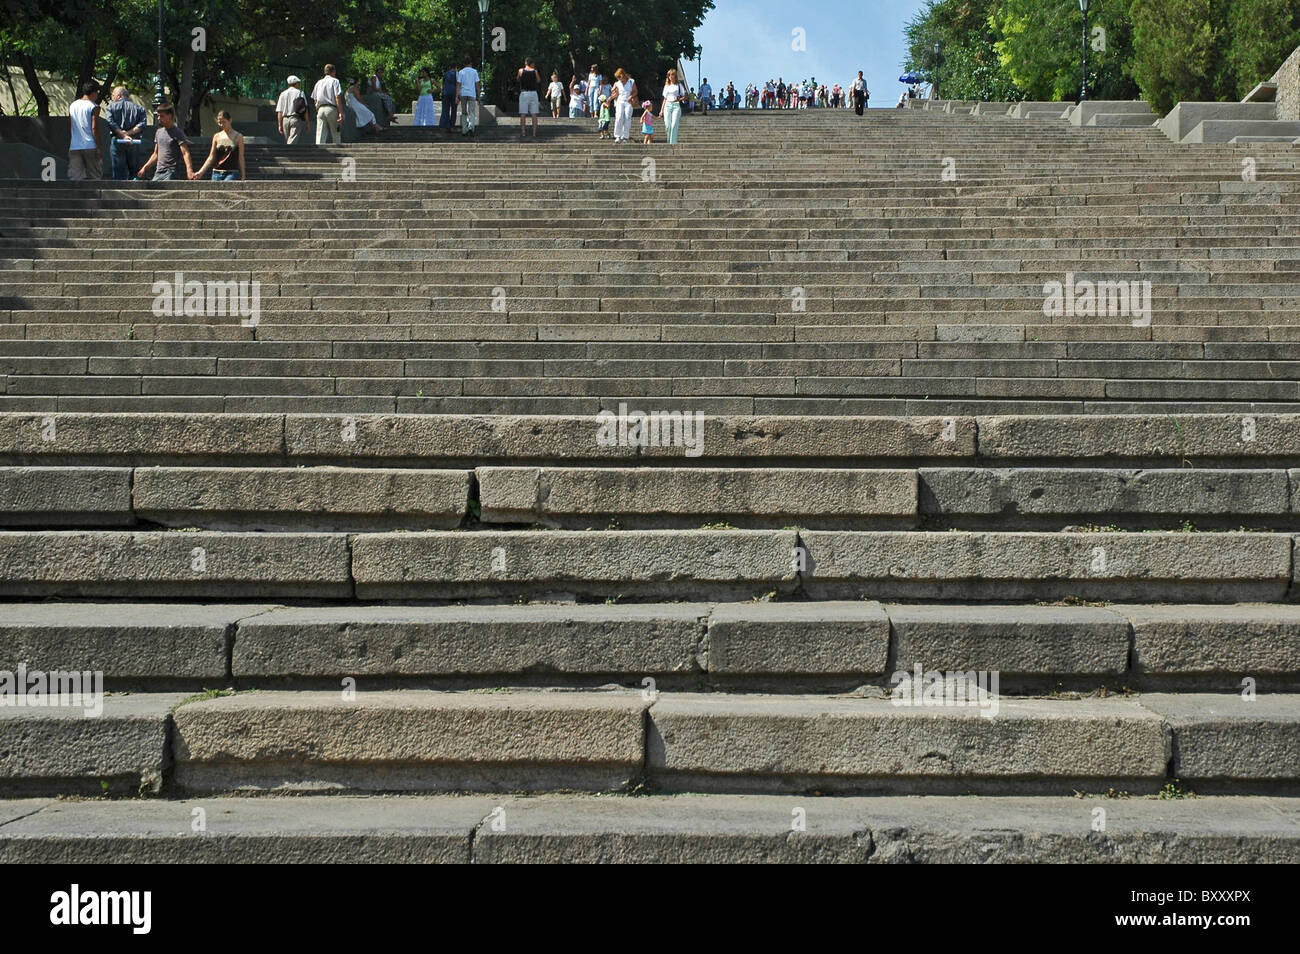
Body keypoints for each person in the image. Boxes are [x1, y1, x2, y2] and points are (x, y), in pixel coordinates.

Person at [135, 102, 194, 181]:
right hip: (158, 172)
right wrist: (144, 168)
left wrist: (189, 170)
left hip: (171, 172)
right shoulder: (158, 132)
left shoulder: (177, 132)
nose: (159, 118)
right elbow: (156, 154)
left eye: (162, 116)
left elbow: (185, 153)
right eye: (158, 116)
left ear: (169, 116)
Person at [104, 86, 147, 180]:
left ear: (119, 95)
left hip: (117, 141)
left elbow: (110, 122)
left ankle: (119, 191)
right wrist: (129, 134)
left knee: (118, 171)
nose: (112, 97)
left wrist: (123, 135)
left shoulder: (111, 107)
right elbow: (142, 124)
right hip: (134, 141)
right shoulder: (139, 108)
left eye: (113, 95)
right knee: (134, 170)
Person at [191, 109, 246, 180]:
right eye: (219, 122)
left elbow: (241, 157)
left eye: (224, 122)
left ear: (230, 120)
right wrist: (201, 172)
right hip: (217, 173)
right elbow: (211, 157)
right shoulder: (216, 136)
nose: (222, 125)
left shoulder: (238, 137)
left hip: (232, 172)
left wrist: (243, 175)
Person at [67, 80, 102, 181]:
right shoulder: (94, 107)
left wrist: (72, 140)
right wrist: (99, 147)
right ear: (94, 93)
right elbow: (94, 128)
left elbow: (70, 126)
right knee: (96, 176)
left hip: (74, 146)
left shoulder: (73, 105)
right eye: (97, 93)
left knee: (76, 178)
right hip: (90, 145)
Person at [312, 64, 344, 144]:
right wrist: (340, 112)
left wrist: (318, 109)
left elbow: (315, 99)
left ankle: (319, 153)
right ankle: (338, 152)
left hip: (320, 110)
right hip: (331, 109)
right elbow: (337, 97)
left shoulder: (318, 82)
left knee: (320, 135)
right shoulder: (335, 81)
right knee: (335, 133)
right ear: (333, 72)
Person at [276, 75, 311, 145]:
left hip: (285, 120)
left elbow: (279, 111)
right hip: (296, 119)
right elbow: (305, 109)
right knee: (292, 141)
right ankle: (287, 153)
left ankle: (288, 154)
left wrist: (280, 124)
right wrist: (307, 123)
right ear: (296, 83)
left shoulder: (283, 94)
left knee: (289, 140)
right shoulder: (300, 93)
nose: (299, 84)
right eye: (298, 83)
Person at [611, 68, 637, 143]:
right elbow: (616, 93)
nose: (619, 79)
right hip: (620, 101)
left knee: (627, 118)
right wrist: (611, 95)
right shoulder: (617, 83)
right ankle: (617, 136)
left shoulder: (631, 81)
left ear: (623, 75)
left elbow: (635, 91)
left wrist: (631, 96)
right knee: (619, 117)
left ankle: (625, 136)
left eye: (620, 77)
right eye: (618, 77)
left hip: (628, 102)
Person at [518, 57, 541, 139]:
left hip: (524, 93)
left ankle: (523, 132)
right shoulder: (535, 71)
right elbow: (538, 80)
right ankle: (534, 133)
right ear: (532, 64)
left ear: (525, 63)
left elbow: (518, 79)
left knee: (523, 114)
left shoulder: (520, 71)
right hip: (533, 93)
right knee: (534, 114)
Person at [660, 68, 685, 145]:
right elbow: (664, 99)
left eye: (672, 74)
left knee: (674, 124)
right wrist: (661, 110)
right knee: (668, 125)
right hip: (667, 105)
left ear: (675, 76)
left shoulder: (679, 85)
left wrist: (678, 100)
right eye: (669, 75)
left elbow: (685, 96)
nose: (671, 76)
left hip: (676, 105)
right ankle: (668, 141)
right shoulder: (667, 86)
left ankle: (673, 143)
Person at [457, 57, 481, 135]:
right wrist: (479, 96)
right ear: (470, 63)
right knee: (472, 112)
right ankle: (471, 128)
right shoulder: (474, 72)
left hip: (463, 93)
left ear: (464, 63)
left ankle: (464, 129)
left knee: (464, 112)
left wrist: (456, 96)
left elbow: (459, 85)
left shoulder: (461, 72)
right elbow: (477, 84)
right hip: (472, 94)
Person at [439, 65, 459, 132]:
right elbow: (458, 84)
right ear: (455, 67)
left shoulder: (446, 73)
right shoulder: (457, 73)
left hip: (446, 93)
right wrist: (458, 96)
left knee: (445, 109)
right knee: (454, 109)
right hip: (454, 92)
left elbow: (443, 83)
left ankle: (445, 124)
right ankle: (452, 124)